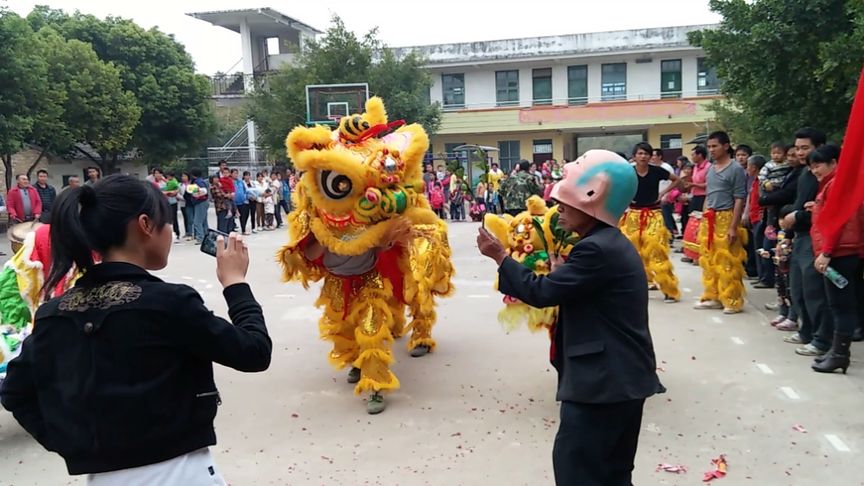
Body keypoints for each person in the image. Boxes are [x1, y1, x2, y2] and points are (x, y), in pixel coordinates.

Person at [0, 175, 271, 483]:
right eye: (167, 222)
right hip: (181, 473)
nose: (170, 231)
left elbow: (15, 392)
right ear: (145, 225)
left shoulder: (54, 313)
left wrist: (71, 443)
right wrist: (235, 283)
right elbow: (254, 352)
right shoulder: (169, 302)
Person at [477, 149, 663, 485]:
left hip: (605, 384)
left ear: (593, 196)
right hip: (621, 380)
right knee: (611, 473)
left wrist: (500, 257)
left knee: (578, 471)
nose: (558, 208)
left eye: (564, 202)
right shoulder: (607, 243)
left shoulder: (596, 249)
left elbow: (542, 292)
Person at [808, 145, 864, 373]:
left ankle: (840, 354)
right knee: (841, 305)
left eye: (818, 165)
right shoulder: (835, 184)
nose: (815, 170)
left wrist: (827, 252)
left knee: (841, 306)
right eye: (812, 167)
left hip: (840, 254)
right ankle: (837, 352)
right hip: (844, 252)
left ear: (834, 163)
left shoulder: (837, 185)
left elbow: (839, 221)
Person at [781, 127, 833, 357]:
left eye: (805, 148)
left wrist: (798, 216)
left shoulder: (825, 178)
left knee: (815, 292)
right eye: (798, 148)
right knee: (799, 289)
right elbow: (799, 204)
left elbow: (824, 210)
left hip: (816, 239)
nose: (800, 153)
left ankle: (822, 340)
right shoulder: (803, 173)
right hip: (800, 236)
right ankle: (806, 332)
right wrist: (788, 233)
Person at [693, 131, 749, 314]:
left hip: (727, 216)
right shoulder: (711, 168)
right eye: (709, 147)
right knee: (709, 259)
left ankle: (732, 300)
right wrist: (702, 219)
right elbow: (709, 195)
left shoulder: (736, 169)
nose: (711, 150)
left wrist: (733, 227)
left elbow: (739, 198)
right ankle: (714, 296)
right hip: (710, 217)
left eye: (714, 146)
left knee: (728, 260)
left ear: (726, 146)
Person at [620, 142, 682, 303]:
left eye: (646, 154)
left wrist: (663, 193)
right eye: (640, 153)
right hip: (633, 216)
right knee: (633, 253)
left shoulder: (657, 171)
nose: (643, 156)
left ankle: (669, 290)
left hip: (654, 215)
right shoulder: (628, 172)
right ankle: (639, 285)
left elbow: (677, 180)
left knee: (657, 251)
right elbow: (615, 185)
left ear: (650, 156)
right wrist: (626, 197)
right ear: (634, 156)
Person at [188, 169, 210, 244]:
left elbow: (203, 191)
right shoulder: (201, 181)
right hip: (203, 202)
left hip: (200, 202)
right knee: (204, 221)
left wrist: (195, 194)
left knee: (197, 221)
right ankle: (206, 236)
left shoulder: (198, 182)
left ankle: (201, 238)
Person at [178, 172, 194, 241]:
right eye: (182, 176)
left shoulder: (191, 184)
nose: (183, 177)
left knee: (191, 218)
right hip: (183, 203)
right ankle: (187, 232)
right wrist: (183, 198)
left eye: (185, 176)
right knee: (186, 218)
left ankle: (192, 232)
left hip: (190, 203)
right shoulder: (180, 185)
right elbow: (178, 193)